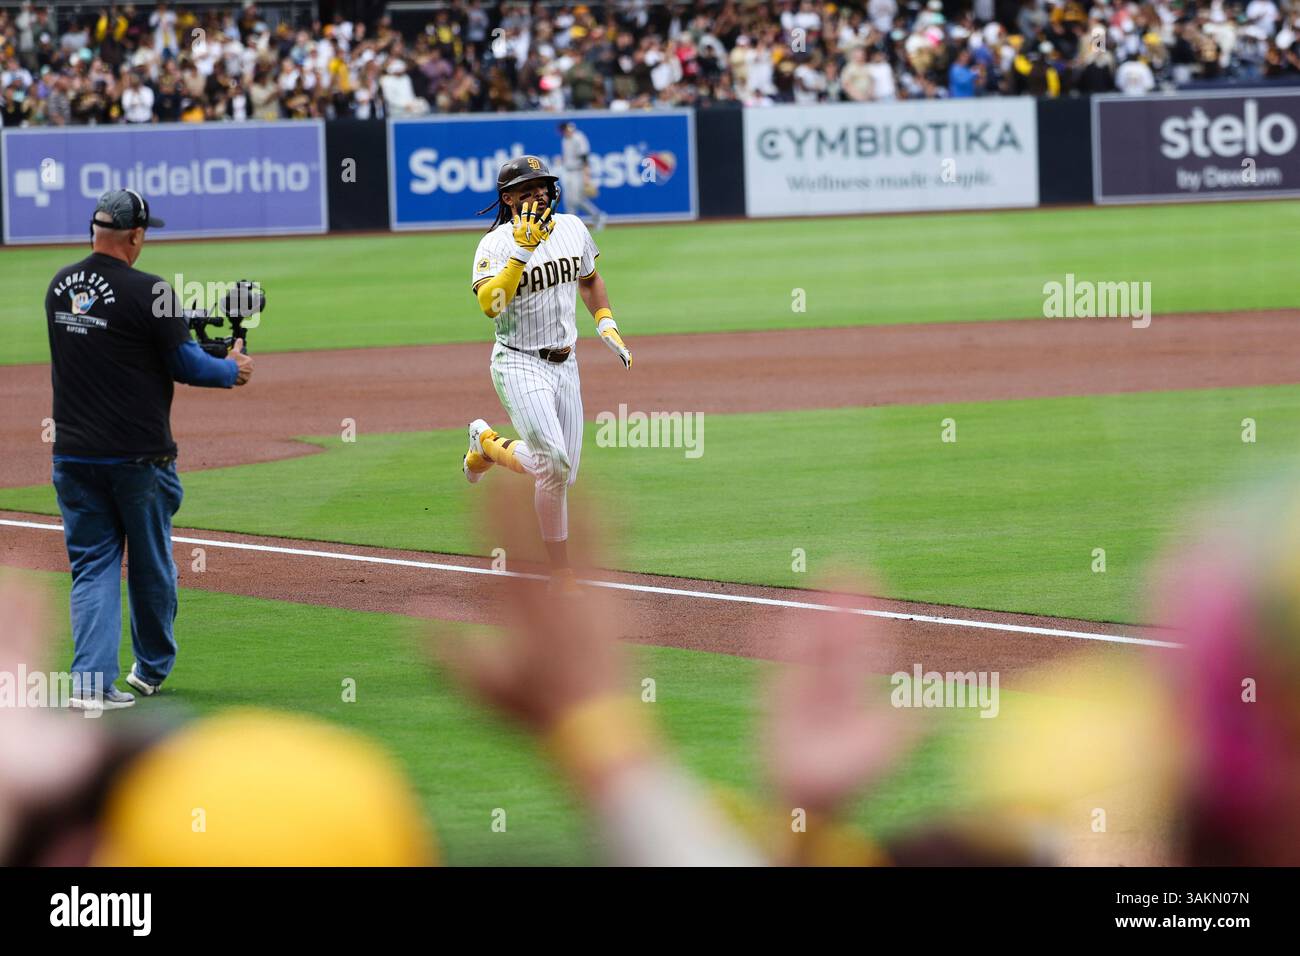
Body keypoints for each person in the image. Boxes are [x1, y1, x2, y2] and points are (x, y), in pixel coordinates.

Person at [45, 189, 254, 710]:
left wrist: (187, 340)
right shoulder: (149, 291)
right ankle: (151, 669)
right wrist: (233, 369)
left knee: (93, 566)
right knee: (151, 564)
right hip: (139, 456)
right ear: (135, 235)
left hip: (72, 454)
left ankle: (90, 686)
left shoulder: (59, 287)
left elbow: (123, 348)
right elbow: (184, 366)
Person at [463, 156, 631, 592]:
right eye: (527, 189)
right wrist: (522, 250)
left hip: (566, 364)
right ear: (508, 199)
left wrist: (606, 321)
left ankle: (486, 444)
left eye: (542, 186)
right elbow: (491, 306)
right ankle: (560, 571)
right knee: (552, 465)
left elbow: (590, 279)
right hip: (518, 361)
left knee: (561, 473)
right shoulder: (495, 246)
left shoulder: (573, 227)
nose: (539, 193)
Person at [557, 121, 606, 230]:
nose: (562, 133)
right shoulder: (565, 139)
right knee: (568, 201)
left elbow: (584, 157)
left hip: (578, 171)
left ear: (566, 129)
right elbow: (568, 156)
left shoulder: (578, 138)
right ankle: (572, 227)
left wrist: (586, 175)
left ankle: (597, 216)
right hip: (567, 171)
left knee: (577, 200)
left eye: (563, 131)